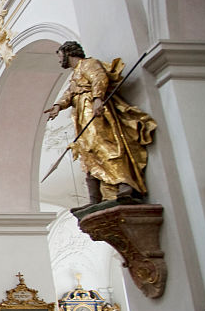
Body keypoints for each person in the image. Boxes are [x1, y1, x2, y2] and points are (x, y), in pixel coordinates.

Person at [45, 41, 157, 205]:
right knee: (87, 151)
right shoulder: (75, 75)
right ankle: (95, 196)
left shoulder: (89, 64)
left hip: (92, 110)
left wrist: (97, 99)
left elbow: (99, 78)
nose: (59, 60)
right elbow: (69, 93)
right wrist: (58, 106)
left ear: (68, 53)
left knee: (104, 145)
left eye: (60, 56)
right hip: (81, 115)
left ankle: (124, 184)